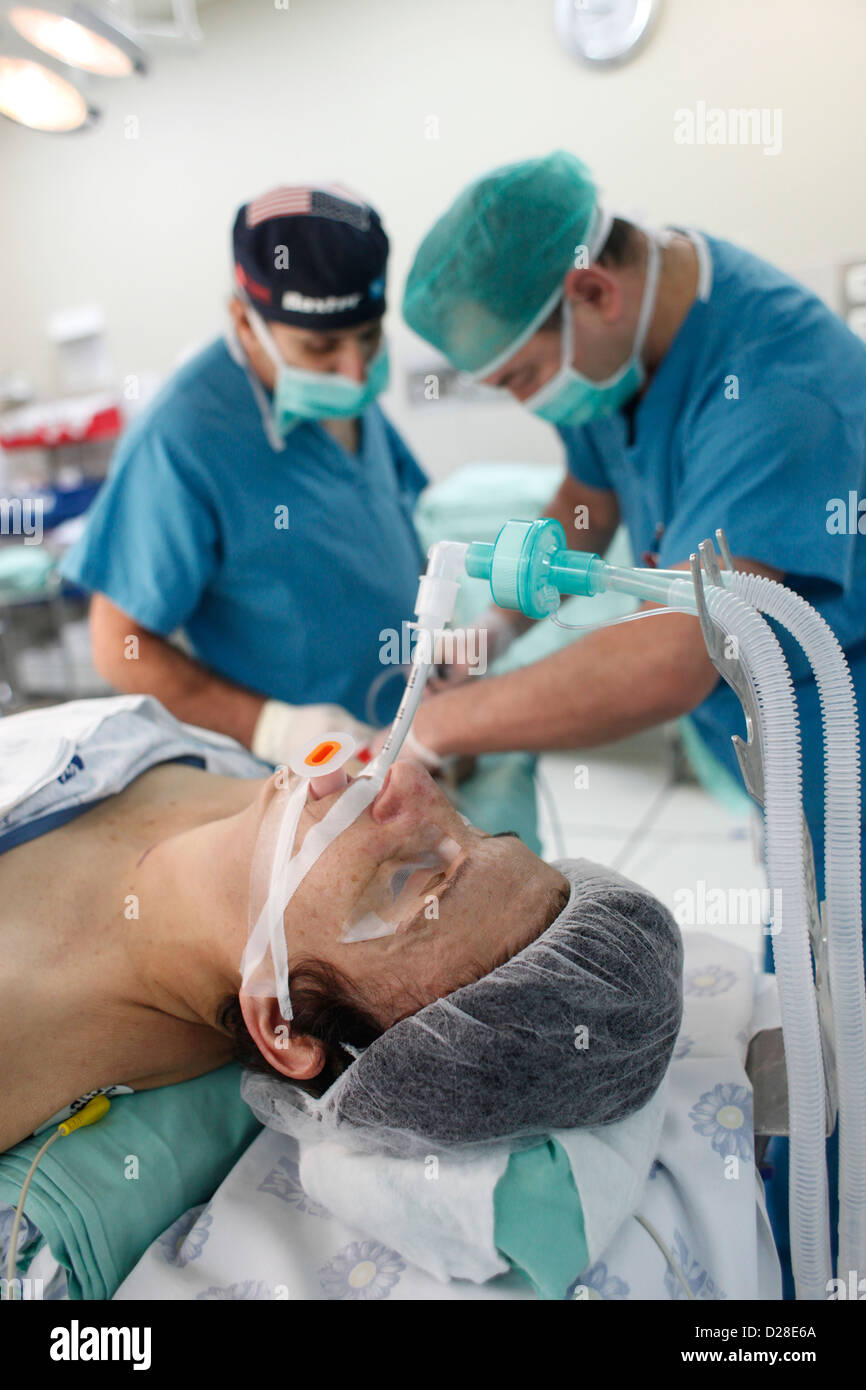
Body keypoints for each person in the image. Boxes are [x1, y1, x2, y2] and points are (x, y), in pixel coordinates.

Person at [400, 149, 866, 1292]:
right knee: (797, 1037)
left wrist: (440, 733)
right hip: (782, 780)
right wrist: (491, 632)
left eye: (516, 379)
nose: (519, 402)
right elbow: (587, 493)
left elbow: (673, 654)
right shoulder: (638, 336)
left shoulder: (781, 385)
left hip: (843, 763)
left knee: (830, 1054)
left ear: (590, 294)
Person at [0, 695, 681, 1157]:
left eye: (410, 878)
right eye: (469, 827)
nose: (411, 784)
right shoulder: (256, 803)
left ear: (282, 1026)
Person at [59, 184, 428, 767]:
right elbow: (119, 646)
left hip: (412, 727)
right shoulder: (183, 436)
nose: (355, 372)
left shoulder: (343, 389)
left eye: (369, 336)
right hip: (309, 770)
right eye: (321, 346)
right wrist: (275, 728)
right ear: (244, 320)